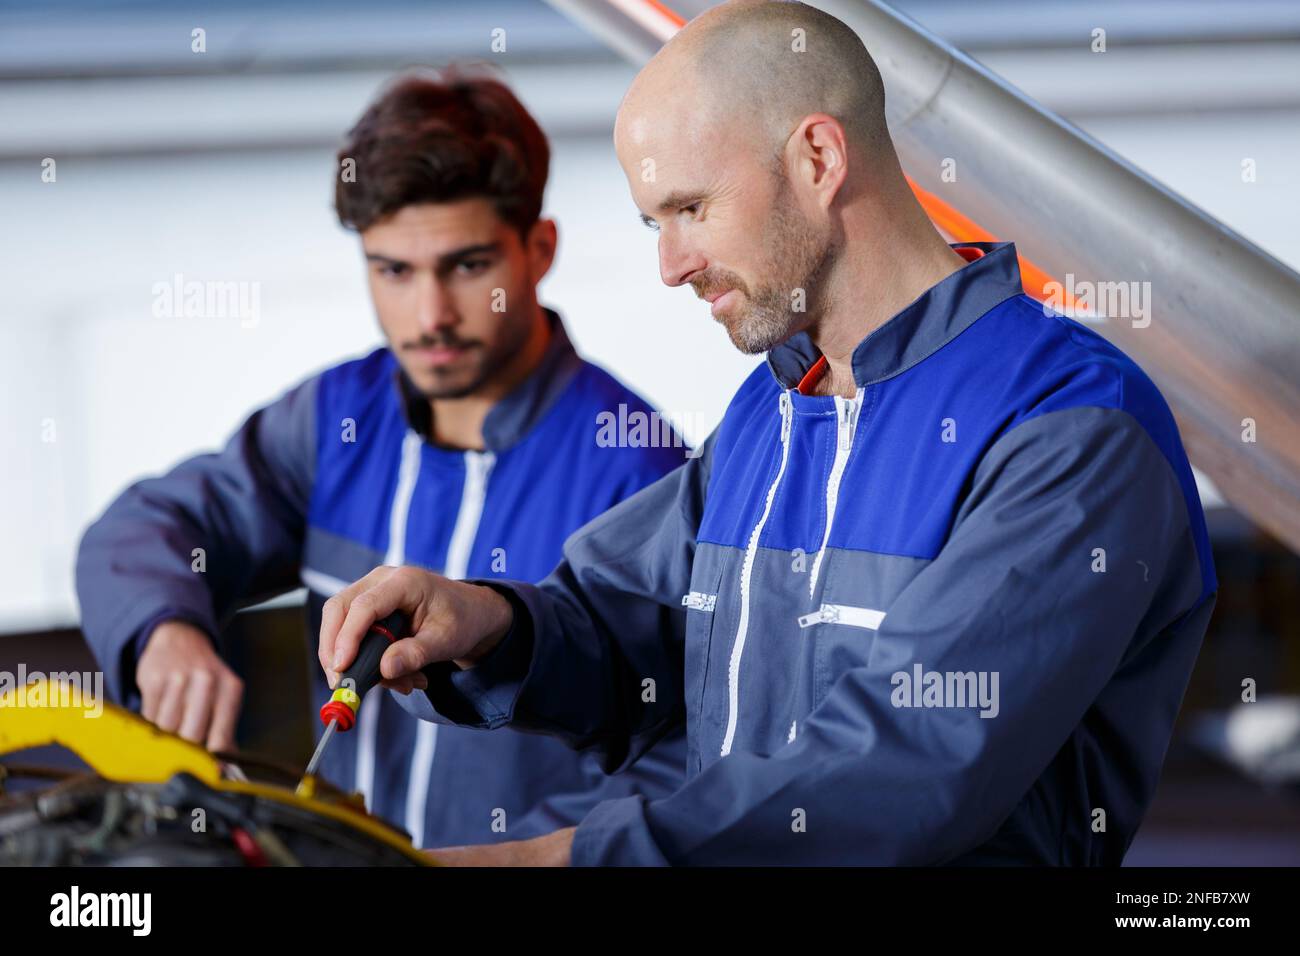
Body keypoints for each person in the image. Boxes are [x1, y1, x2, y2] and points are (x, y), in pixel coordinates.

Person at [319, 1, 1217, 865]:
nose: (669, 266)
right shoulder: (775, 411)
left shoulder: (1070, 427)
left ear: (818, 158)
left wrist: (558, 863)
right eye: (652, 223)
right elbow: (636, 623)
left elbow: (902, 765)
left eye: (691, 208)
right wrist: (490, 625)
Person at [76, 68, 687, 849]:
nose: (430, 316)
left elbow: (676, 765)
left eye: (467, 266)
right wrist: (164, 632)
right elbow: (150, 525)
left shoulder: (640, 471)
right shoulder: (335, 420)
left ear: (539, 249)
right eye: (394, 270)